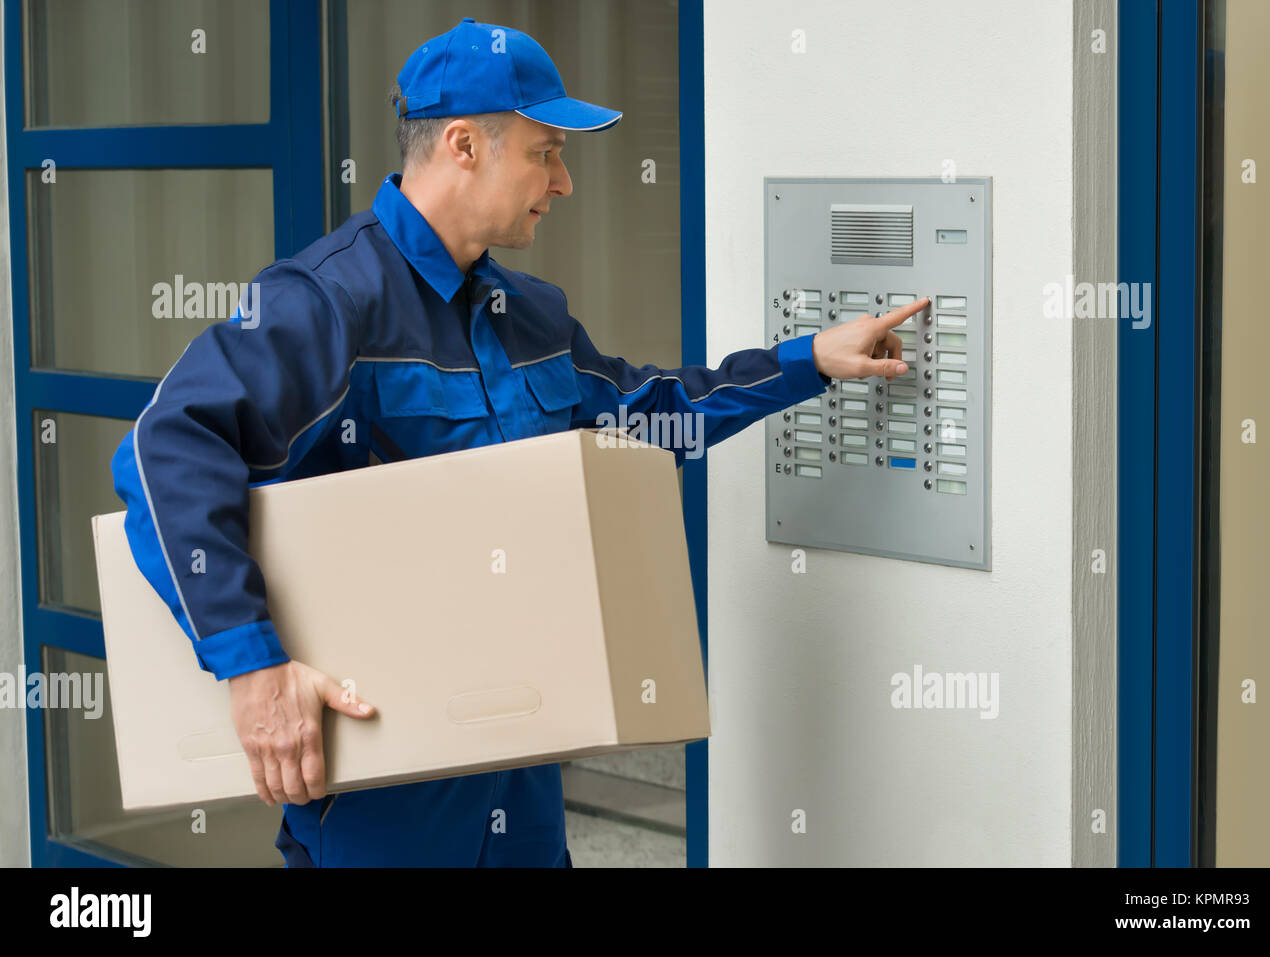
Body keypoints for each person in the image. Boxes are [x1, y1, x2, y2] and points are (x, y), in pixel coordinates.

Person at [110, 17, 925, 867]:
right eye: (545, 153)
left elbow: (643, 416)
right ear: (464, 145)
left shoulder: (531, 312)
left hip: (518, 770)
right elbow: (167, 448)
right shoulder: (325, 303)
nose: (564, 181)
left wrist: (808, 363)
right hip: (383, 785)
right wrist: (251, 667)